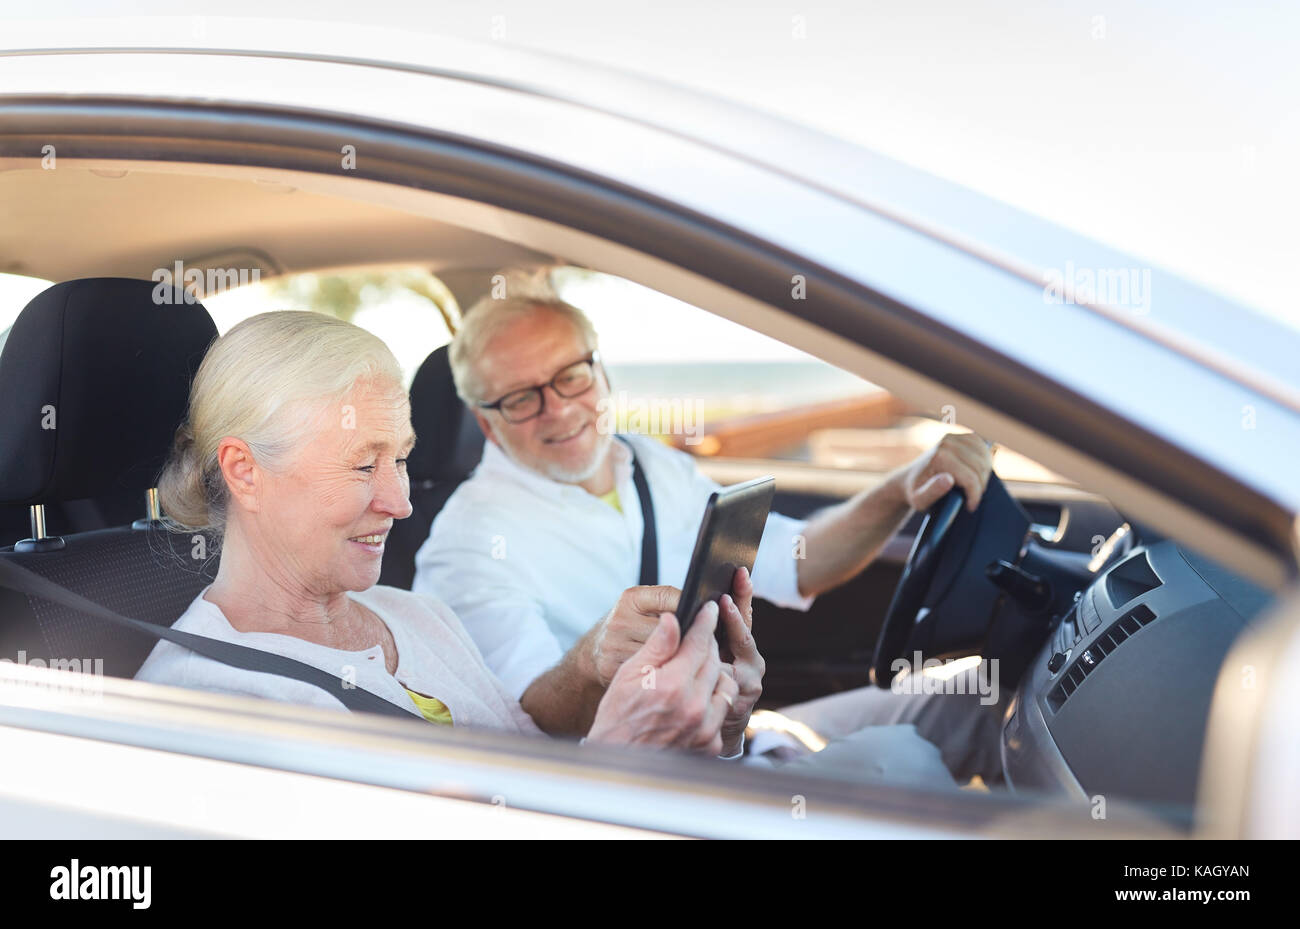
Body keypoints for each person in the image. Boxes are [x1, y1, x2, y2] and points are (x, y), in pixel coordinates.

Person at [413, 271, 1004, 781]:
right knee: (901, 760)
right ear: (486, 425)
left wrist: (902, 488)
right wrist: (594, 659)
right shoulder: (468, 540)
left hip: (734, 736)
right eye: (520, 398)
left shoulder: (649, 463)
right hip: (642, 780)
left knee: (986, 695)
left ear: (601, 373)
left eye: (571, 375)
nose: (559, 408)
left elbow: (796, 561)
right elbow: (526, 718)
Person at [135, 310, 757, 760]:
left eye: (401, 459)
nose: (401, 502)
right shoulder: (211, 708)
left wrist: (705, 722)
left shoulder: (415, 615)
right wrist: (621, 752)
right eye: (362, 465)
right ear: (246, 471)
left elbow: (526, 758)